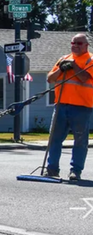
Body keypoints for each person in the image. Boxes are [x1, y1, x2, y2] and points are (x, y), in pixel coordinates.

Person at [46, 33, 93, 182]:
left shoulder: (90, 59)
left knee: (80, 140)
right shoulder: (63, 59)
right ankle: (52, 169)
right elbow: (50, 79)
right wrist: (61, 69)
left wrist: (73, 65)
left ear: (86, 45)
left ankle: (75, 171)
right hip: (60, 105)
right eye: (73, 43)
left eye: (79, 43)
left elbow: (85, 78)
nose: (75, 45)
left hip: (82, 107)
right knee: (54, 139)